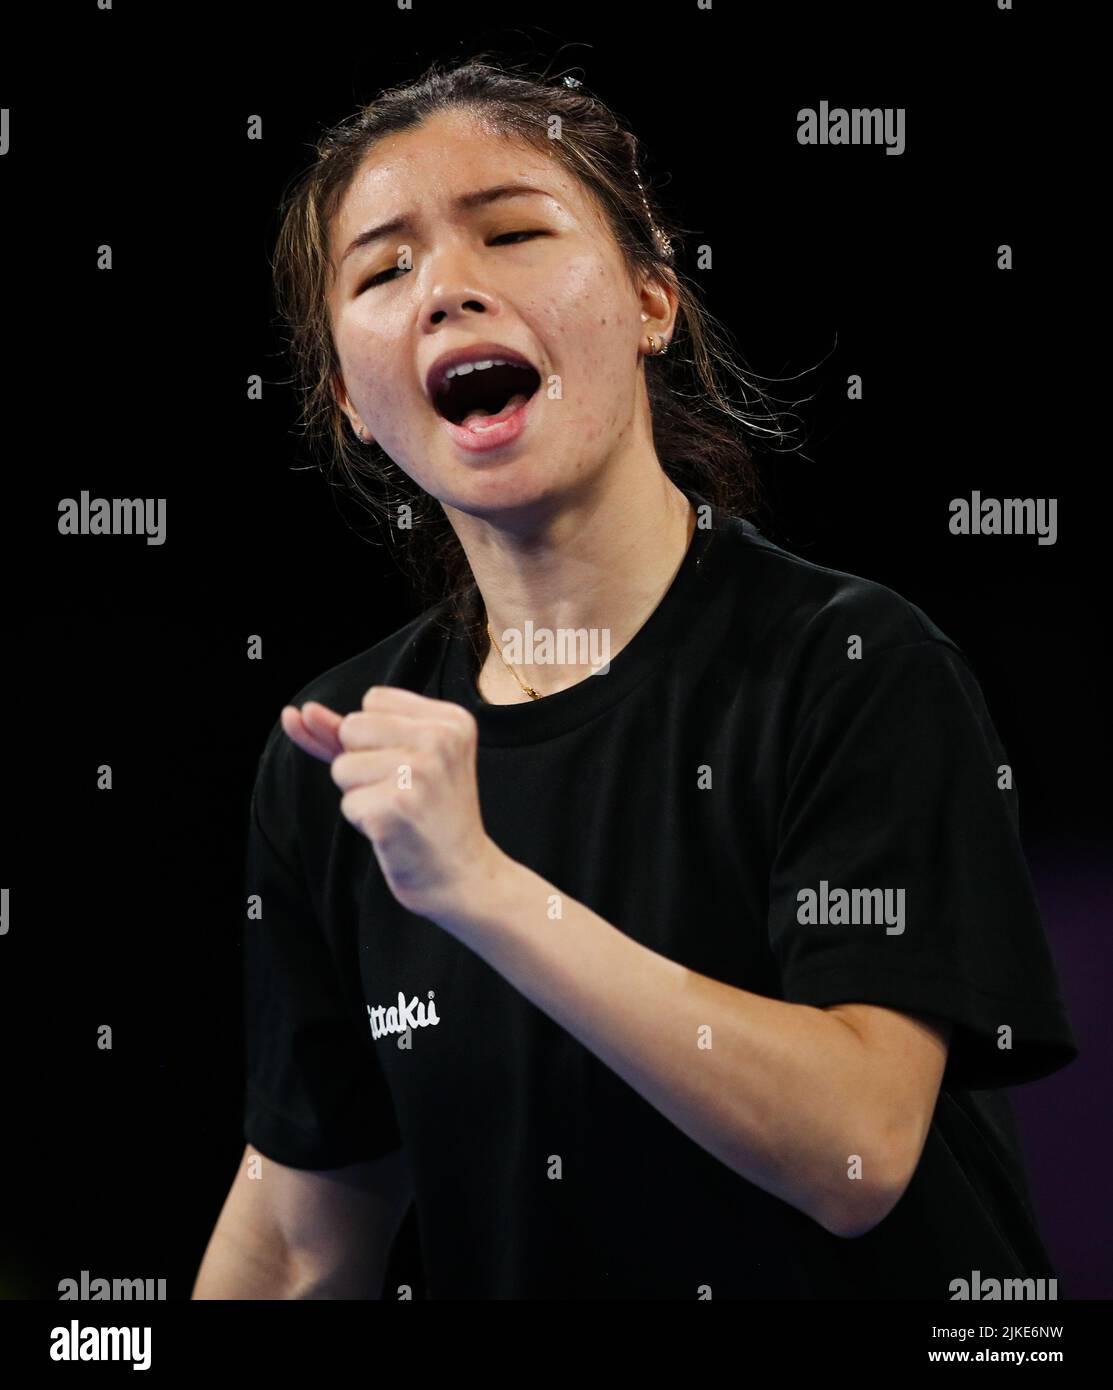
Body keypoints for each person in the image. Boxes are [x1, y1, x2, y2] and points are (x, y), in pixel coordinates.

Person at [192, 58, 1077, 1301]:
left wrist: (483, 889)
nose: (446, 287)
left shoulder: (851, 662)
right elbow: (300, 1231)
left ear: (651, 299)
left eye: (512, 231)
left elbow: (858, 1144)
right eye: (384, 270)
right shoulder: (340, 755)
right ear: (347, 398)